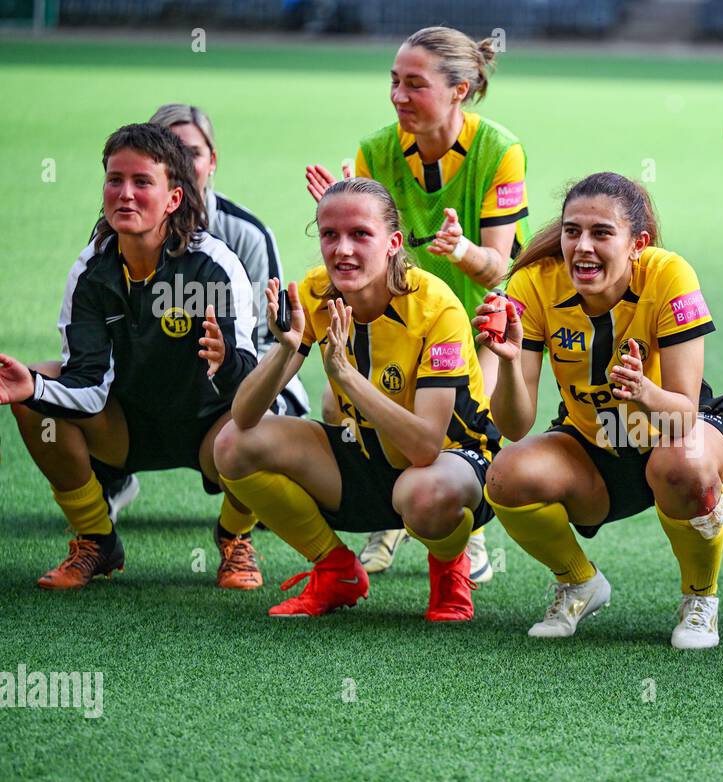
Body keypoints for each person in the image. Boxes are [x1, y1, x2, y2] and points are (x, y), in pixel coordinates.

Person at [214, 177, 499, 620]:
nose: (342, 250)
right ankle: (335, 570)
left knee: (421, 491)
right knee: (232, 446)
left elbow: (424, 447)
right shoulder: (315, 292)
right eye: (330, 234)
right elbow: (244, 416)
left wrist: (347, 377)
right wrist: (286, 348)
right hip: (368, 456)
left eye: (360, 234)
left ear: (393, 243)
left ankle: (449, 569)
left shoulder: (435, 307)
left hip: (449, 466)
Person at [478, 172, 723, 649]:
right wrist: (509, 365)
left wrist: (644, 391)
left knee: (683, 461)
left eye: (601, 233)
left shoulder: (669, 274)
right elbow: (513, 427)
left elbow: (682, 415)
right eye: (572, 231)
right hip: (595, 448)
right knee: (505, 475)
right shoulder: (532, 285)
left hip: (677, 432)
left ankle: (701, 598)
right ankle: (579, 581)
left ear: (637, 243)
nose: (582, 247)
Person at [305, 26, 529, 580]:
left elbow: (502, 267)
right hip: (393, 318)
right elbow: (364, 246)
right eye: (394, 82)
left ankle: (464, 531)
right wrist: (344, 217)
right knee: (339, 410)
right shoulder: (376, 149)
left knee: (461, 418)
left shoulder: (499, 151)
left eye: (415, 84)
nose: (399, 96)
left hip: (475, 320)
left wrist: (464, 250)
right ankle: (388, 511)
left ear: (460, 88)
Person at [0, 123, 261, 590]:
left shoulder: (213, 266)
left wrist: (229, 365)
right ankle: (96, 540)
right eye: (115, 180)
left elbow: (250, 386)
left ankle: (234, 538)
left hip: (208, 430)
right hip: (122, 428)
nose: (125, 194)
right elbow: (89, 381)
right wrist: (33, 388)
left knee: (263, 419)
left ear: (174, 199)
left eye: (143, 182)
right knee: (36, 387)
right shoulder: (92, 270)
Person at [98, 104, 314, 524]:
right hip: (149, 393)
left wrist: (233, 373)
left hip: (230, 389)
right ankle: (107, 487)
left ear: (212, 161)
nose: (182, 163)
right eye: (170, 152)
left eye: (192, 153)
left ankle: (239, 528)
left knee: (263, 421)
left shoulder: (246, 235)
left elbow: (274, 336)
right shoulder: (115, 238)